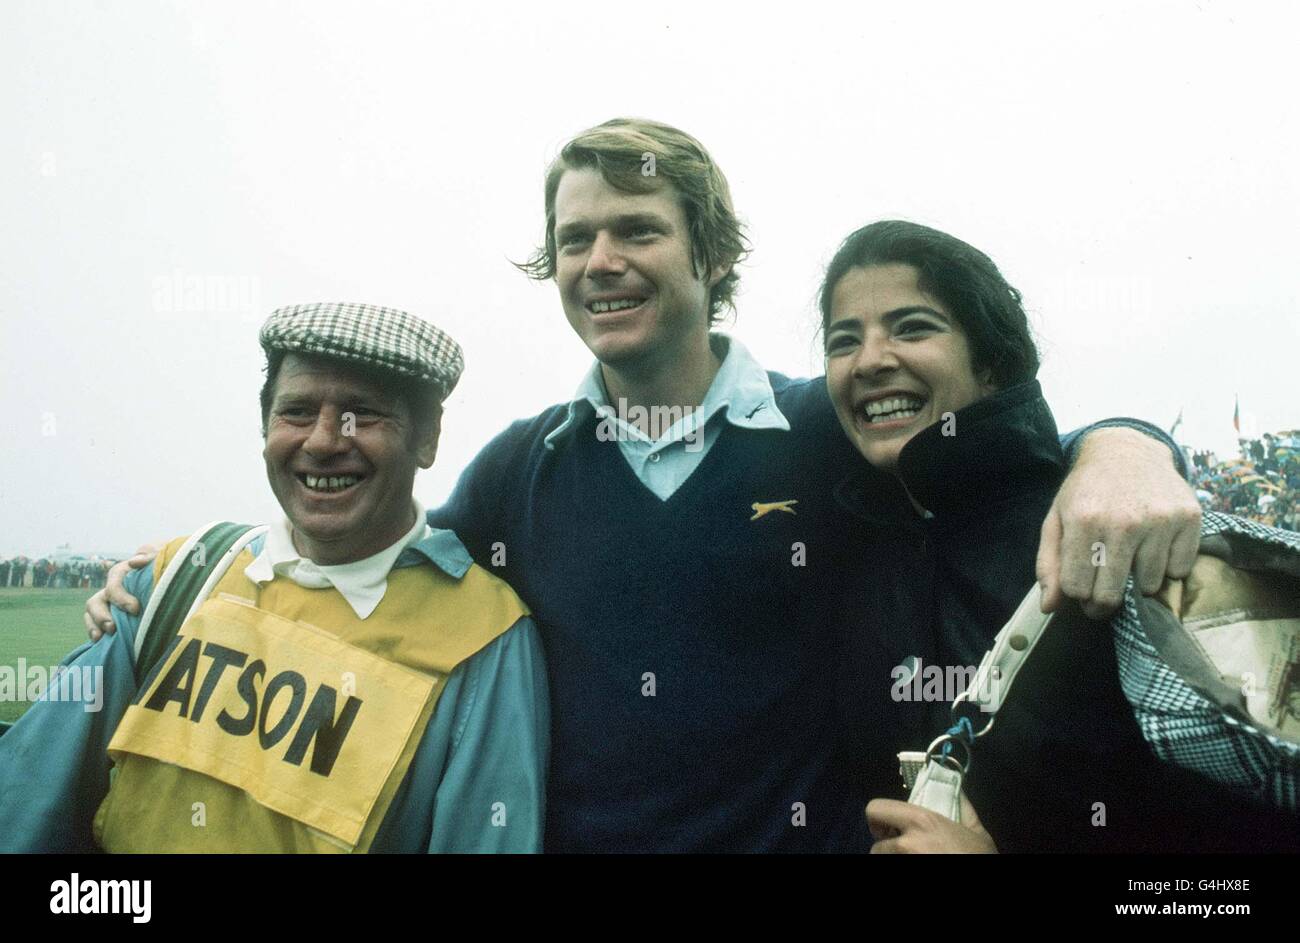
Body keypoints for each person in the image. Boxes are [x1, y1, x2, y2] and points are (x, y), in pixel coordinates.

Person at [89, 119, 1202, 852]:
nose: (600, 260)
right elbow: (369, 561)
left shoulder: (827, 427)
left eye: (637, 230)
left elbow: (1000, 440)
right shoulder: (522, 465)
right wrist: (196, 568)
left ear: (711, 255)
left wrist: (1127, 442)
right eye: (575, 239)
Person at [816, 220, 1298, 852]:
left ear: (992, 361)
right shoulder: (837, 535)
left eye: (913, 327)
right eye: (843, 340)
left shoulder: (1132, 541)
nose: (871, 359)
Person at [0, 302, 547, 853]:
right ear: (265, 427)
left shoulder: (484, 636)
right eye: (297, 412)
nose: (324, 441)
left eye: (363, 413)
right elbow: (29, 797)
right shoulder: (178, 576)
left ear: (426, 439)